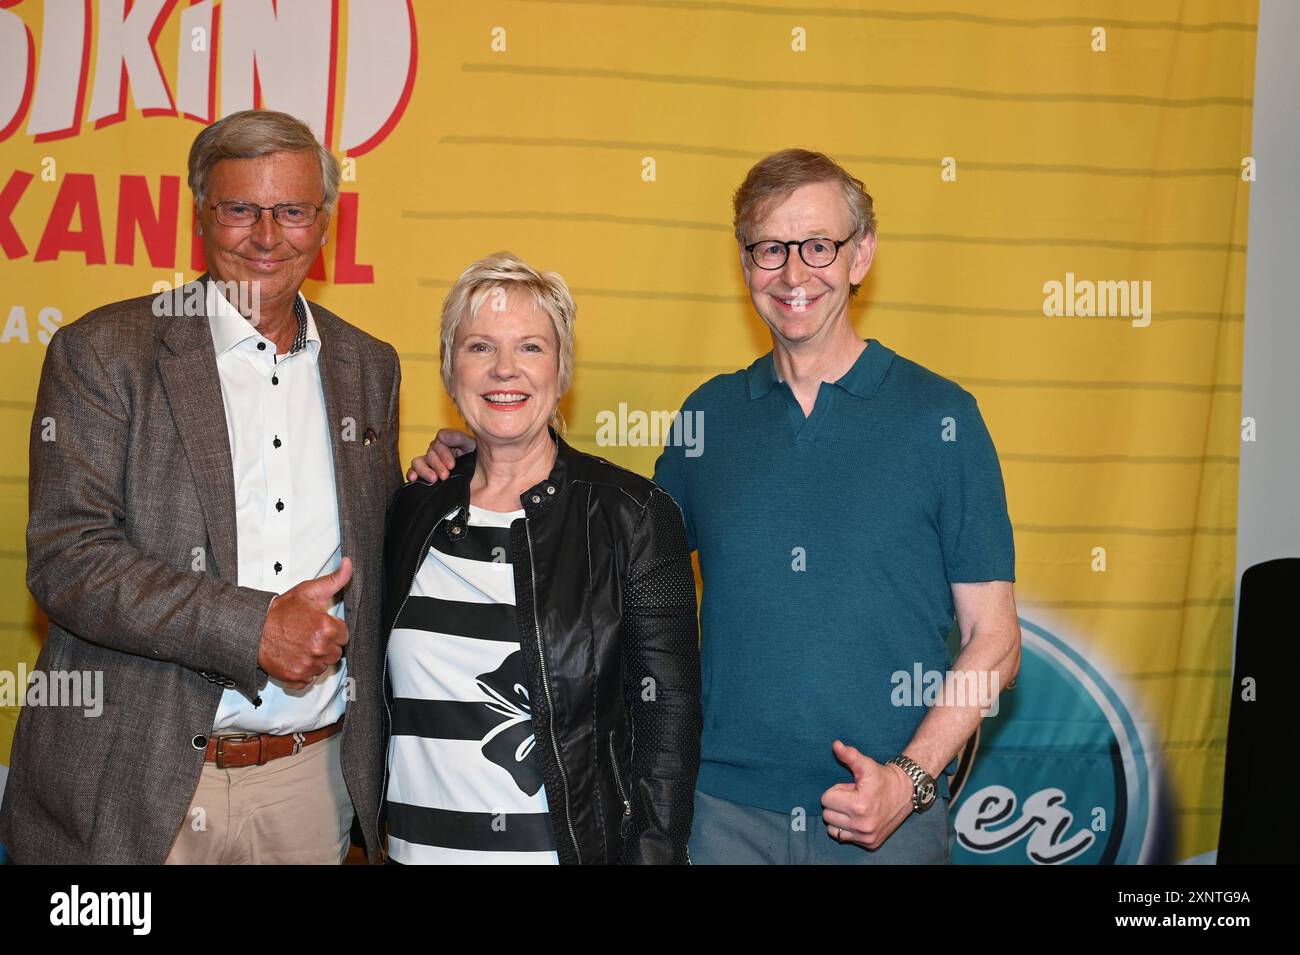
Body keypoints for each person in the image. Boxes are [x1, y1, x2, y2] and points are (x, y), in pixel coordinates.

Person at [412, 149, 1021, 864]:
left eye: (818, 246)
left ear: (861, 257)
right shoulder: (708, 420)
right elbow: (615, 566)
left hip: (885, 822)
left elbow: (995, 641)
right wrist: (489, 450)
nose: (794, 274)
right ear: (745, 265)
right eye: (770, 249)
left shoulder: (941, 419)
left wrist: (910, 778)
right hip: (721, 816)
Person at [0, 109, 402, 864]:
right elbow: (68, 558)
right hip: (137, 784)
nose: (265, 235)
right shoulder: (103, 350)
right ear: (201, 215)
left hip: (310, 785)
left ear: (324, 223)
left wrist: (451, 473)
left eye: (291, 211)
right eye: (240, 209)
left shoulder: (367, 365)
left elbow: (378, 540)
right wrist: (252, 627)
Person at [382, 252, 700, 864]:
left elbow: (670, 727)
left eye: (530, 347)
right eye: (479, 347)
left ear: (562, 370)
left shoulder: (630, 516)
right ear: (450, 371)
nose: (505, 369)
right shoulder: (412, 511)